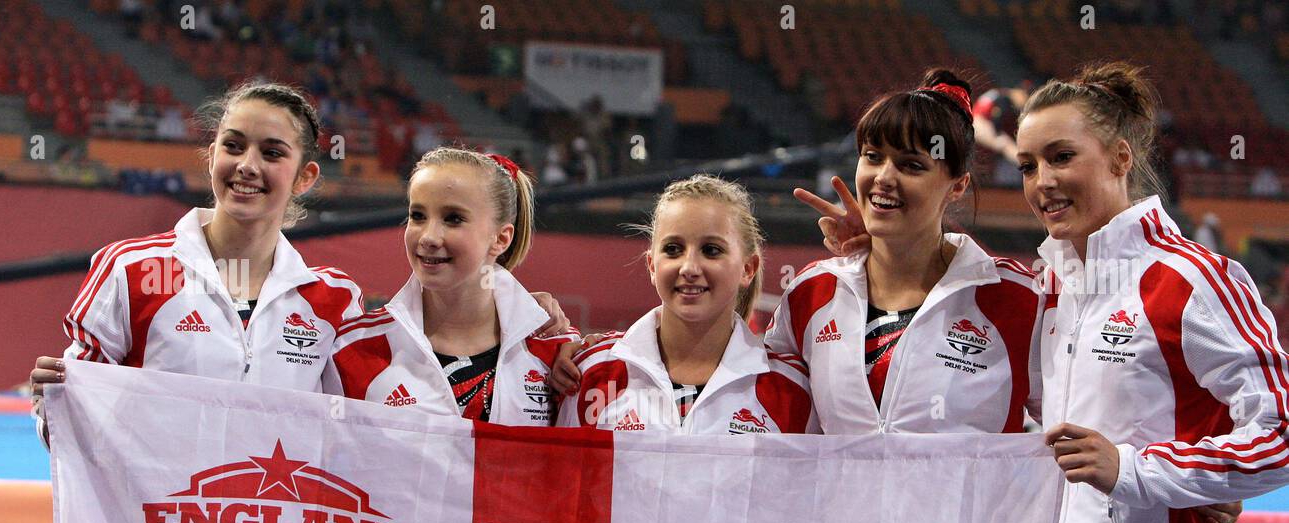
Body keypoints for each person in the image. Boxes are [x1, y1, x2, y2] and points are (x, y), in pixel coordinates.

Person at [1016, 62, 1289, 523]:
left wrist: (1137, 470)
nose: (1041, 181)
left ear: (1121, 158)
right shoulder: (1051, 287)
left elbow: (1281, 431)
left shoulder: (1196, 279)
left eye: (1061, 156)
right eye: (1028, 164)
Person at [30, 80, 364, 444]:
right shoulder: (129, 270)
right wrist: (52, 408)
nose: (247, 166)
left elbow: (350, 438)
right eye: (233, 146)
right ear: (211, 156)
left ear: (305, 177)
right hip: (158, 502)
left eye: (272, 153)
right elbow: (73, 430)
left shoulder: (336, 300)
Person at [775, 69, 1045, 436]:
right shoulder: (811, 294)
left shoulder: (1021, 300)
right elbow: (766, 426)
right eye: (872, 156)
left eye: (911, 165)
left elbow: (1081, 424)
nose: (884, 177)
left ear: (957, 186)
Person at [329, 147, 577, 425]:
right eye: (418, 216)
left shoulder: (559, 353)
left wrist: (589, 351)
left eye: (453, 219)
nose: (429, 237)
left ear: (501, 238)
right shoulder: (352, 349)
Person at [556, 175, 815, 435]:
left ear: (748, 269)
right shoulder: (591, 372)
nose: (689, 267)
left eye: (711, 250)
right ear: (652, 266)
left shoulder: (791, 389)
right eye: (673, 249)